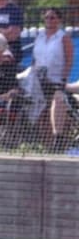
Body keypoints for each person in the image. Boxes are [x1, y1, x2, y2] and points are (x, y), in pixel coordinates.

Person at [30, 8, 75, 152]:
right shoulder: (40, 36)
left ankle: (59, 139)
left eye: (53, 18)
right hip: (38, 79)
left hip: (55, 80)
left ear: (59, 20)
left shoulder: (63, 37)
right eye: (47, 18)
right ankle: (42, 142)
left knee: (57, 101)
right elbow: (34, 58)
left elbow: (69, 60)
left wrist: (63, 79)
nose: (49, 20)